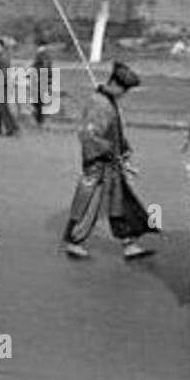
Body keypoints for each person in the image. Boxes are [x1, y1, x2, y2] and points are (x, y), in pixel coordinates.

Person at [63, 61, 157, 260]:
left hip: (110, 163)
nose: (124, 94)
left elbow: (113, 133)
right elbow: (88, 136)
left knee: (120, 203)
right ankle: (74, 241)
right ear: (114, 83)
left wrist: (123, 149)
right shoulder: (101, 104)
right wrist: (109, 151)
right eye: (124, 89)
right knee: (89, 205)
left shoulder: (108, 101)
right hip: (99, 165)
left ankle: (129, 243)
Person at [0, 38, 19, 136]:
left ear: (2, 48)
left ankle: (11, 128)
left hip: (1, 85)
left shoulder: (2, 58)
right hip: (0, 84)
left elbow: (3, 73)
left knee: (3, 108)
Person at [31, 42, 54, 128]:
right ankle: (39, 119)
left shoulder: (43, 55)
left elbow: (44, 67)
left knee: (39, 102)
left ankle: (39, 120)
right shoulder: (41, 55)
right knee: (37, 101)